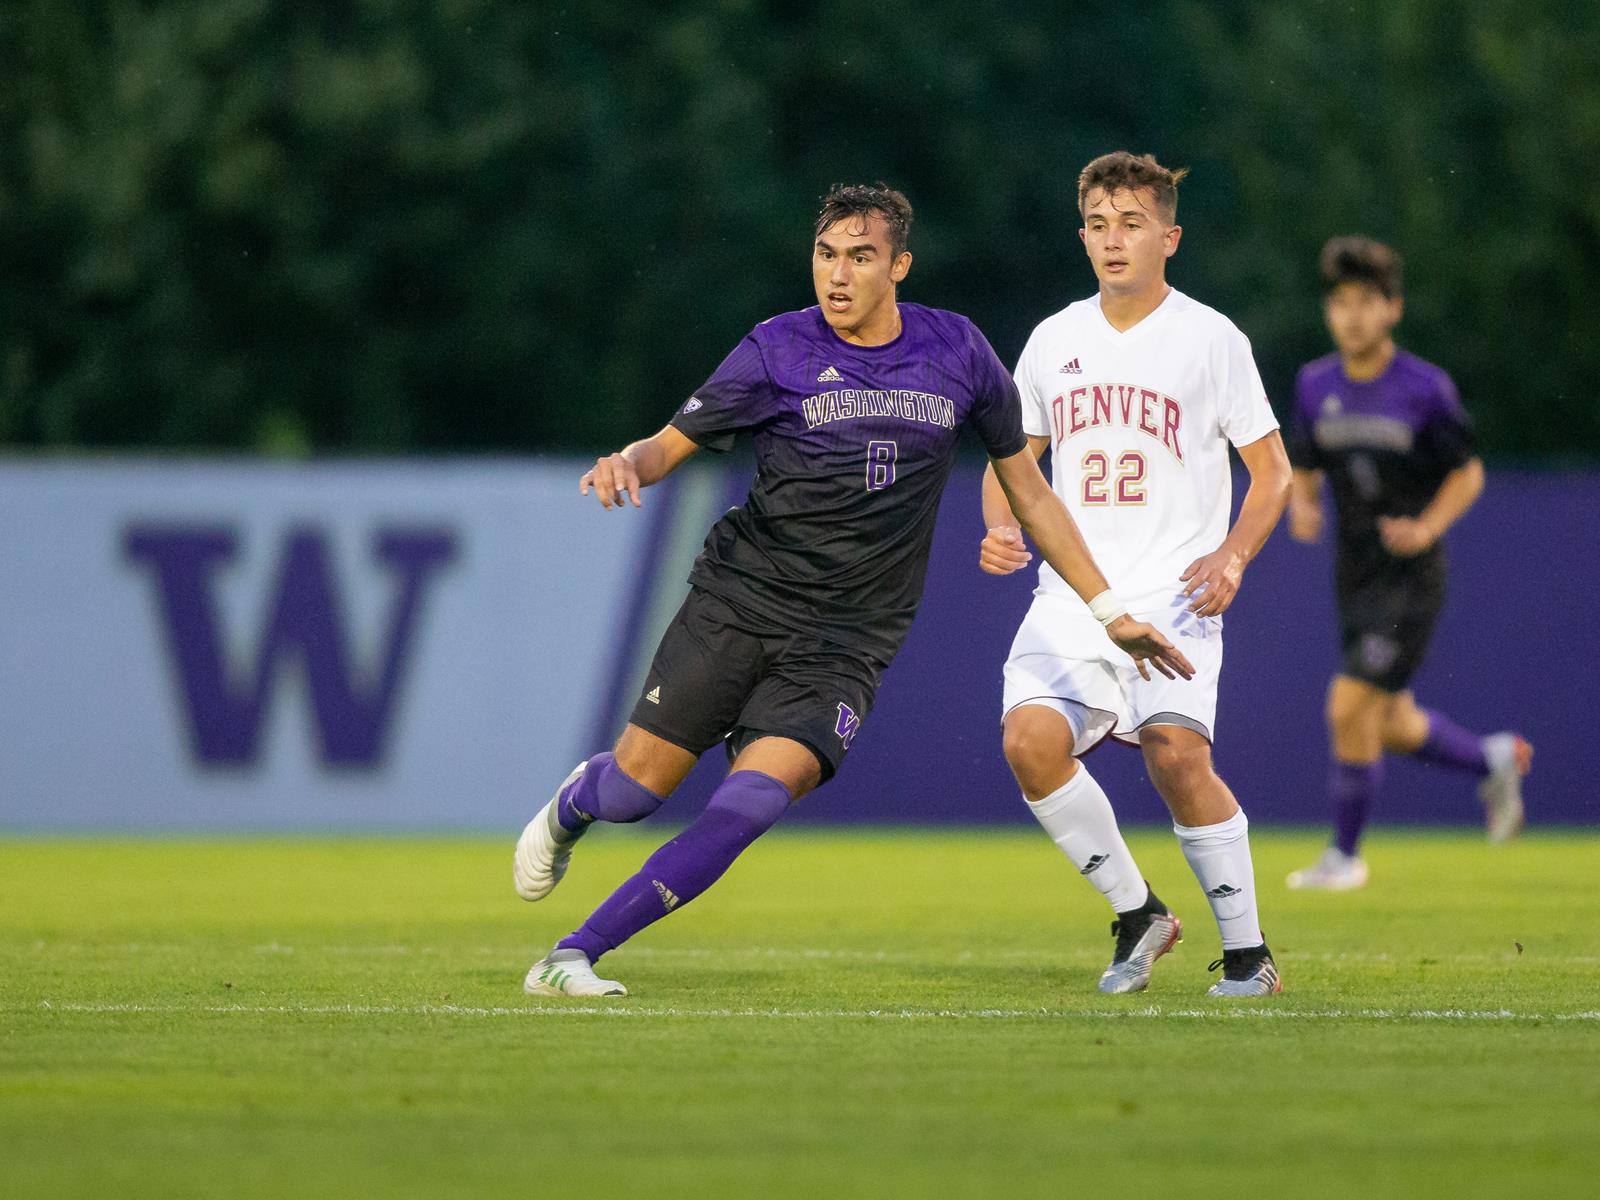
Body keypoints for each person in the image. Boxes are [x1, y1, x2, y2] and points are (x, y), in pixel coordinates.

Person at [514, 183, 1193, 998]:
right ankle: (574, 806)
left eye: (860, 257)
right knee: (632, 792)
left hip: (846, 643)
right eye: (826, 255)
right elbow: (666, 447)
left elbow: (1034, 495)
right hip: (739, 604)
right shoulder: (777, 348)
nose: (837, 276)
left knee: (752, 803)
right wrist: (627, 461)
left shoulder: (960, 352)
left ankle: (571, 954)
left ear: (899, 265)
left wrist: (1111, 612)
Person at [979, 151, 1293, 997]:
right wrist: (998, 523)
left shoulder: (1211, 338)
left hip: (1176, 593)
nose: (1112, 240)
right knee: (1028, 743)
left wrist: (1232, 555)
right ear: (1081, 235)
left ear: (1169, 236)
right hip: (1078, 595)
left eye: (1131, 224)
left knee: (1175, 755)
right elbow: (1013, 459)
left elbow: (1274, 472)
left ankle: (1247, 951)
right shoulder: (1054, 338)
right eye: (1097, 224)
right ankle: (1137, 912)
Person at [1282, 236, 1532, 891]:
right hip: (1355, 574)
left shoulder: (1424, 389)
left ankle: (1344, 855)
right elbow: (1303, 465)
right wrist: (1301, 505)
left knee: (1346, 706)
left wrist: (1426, 526)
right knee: (1388, 721)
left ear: (1392, 308)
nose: (1353, 316)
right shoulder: (1314, 384)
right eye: (1341, 303)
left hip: (1411, 577)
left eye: (1367, 301)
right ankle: (1491, 758)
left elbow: (1468, 472)